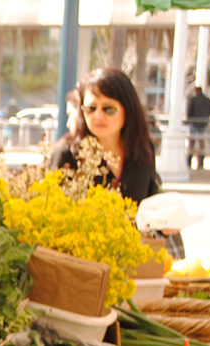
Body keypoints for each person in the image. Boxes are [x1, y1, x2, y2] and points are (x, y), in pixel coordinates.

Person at [49, 67, 179, 257]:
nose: (98, 116)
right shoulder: (67, 155)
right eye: (91, 108)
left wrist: (166, 220)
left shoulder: (143, 152)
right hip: (81, 262)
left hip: (133, 260)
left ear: (128, 109)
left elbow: (151, 201)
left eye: (109, 109)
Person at [186, 86, 210, 170]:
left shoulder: (193, 100)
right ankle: (201, 162)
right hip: (203, 123)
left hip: (194, 123)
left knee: (192, 143)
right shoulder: (207, 100)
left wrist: (190, 119)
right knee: (201, 143)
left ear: (196, 91)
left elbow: (189, 112)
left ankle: (189, 161)